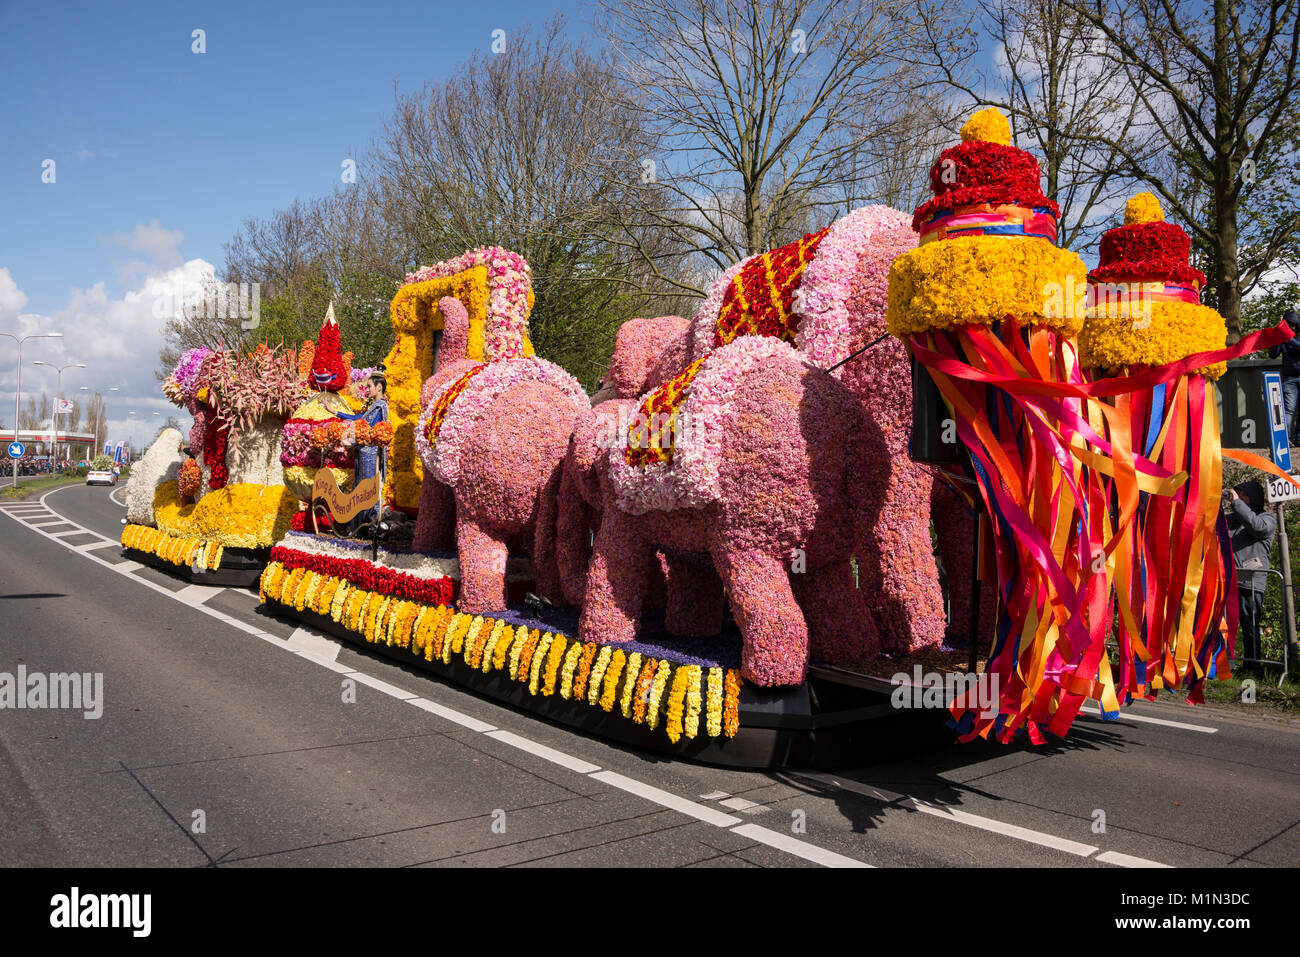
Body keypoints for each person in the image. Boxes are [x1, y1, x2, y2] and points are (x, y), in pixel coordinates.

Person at [1226, 480, 1277, 674]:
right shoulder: (1232, 519)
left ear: (1253, 498)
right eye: (1237, 494)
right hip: (1230, 582)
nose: (1239, 498)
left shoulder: (1267, 519)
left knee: (1250, 627)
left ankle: (1253, 667)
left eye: (1244, 495)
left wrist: (1237, 503)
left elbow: (1257, 527)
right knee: (1226, 626)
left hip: (1251, 583)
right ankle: (1226, 665)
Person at [1268, 308, 1300, 445]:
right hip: (1289, 378)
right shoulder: (1283, 338)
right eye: (1288, 325)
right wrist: (1278, 340)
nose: (1291, 327)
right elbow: (1272, 354)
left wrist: (1288, 339)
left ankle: (1298, 438)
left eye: (1293, 325)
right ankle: (1286, 440)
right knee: (1289, 409)